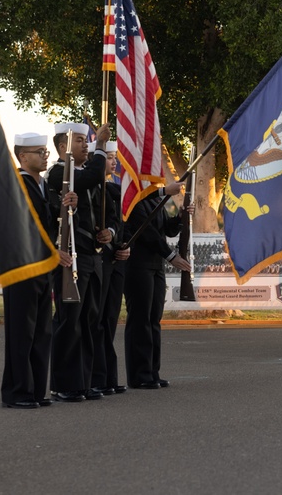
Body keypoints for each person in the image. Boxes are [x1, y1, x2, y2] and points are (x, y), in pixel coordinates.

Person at [1, 133, 76, 409]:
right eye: (39, 152)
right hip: (22, 266)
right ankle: (17, 392)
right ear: (22, 156)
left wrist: (69, 205)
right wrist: (51, 252)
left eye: (45, 151)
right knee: (22, 331)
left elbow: (52, 222)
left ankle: (35, 390)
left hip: (43, 268)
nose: (46, 156)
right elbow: (22, 228)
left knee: (41, 331)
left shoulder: (44, 186)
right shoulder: (16, 184)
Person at [46, 120, 114, 402]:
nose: (86, 145)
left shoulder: (83, 175)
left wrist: (108, 232)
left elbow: (105, 208)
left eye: (88, 141)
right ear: (63, 146)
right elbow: (93, 176)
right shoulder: (59, 173)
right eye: (80, 141)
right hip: (69, 256)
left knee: (88, 320)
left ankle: (83, 381)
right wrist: (101, 145)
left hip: (90, 255)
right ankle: (63, 384)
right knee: (69, 320)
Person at [123, 181, 191, 389]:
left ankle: (152, 371)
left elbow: (166, 230)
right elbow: (147, 233)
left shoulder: (154, 200)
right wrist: (171, 256)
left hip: (155, 265)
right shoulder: (135, 200)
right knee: (140, 320)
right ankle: (139, 375)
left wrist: (180, 217)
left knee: (154, 319)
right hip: (138, 265)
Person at [92, 141, 130, 395]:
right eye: (108, 157)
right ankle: (97, 377)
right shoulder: (91, 189)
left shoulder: (113, 189)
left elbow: (120, 221)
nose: (114, 162)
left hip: (115, 260)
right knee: (97, 320)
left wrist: (123, 243)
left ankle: (108, 377)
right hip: (99, 260)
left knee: (110, 320)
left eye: (115, 157)